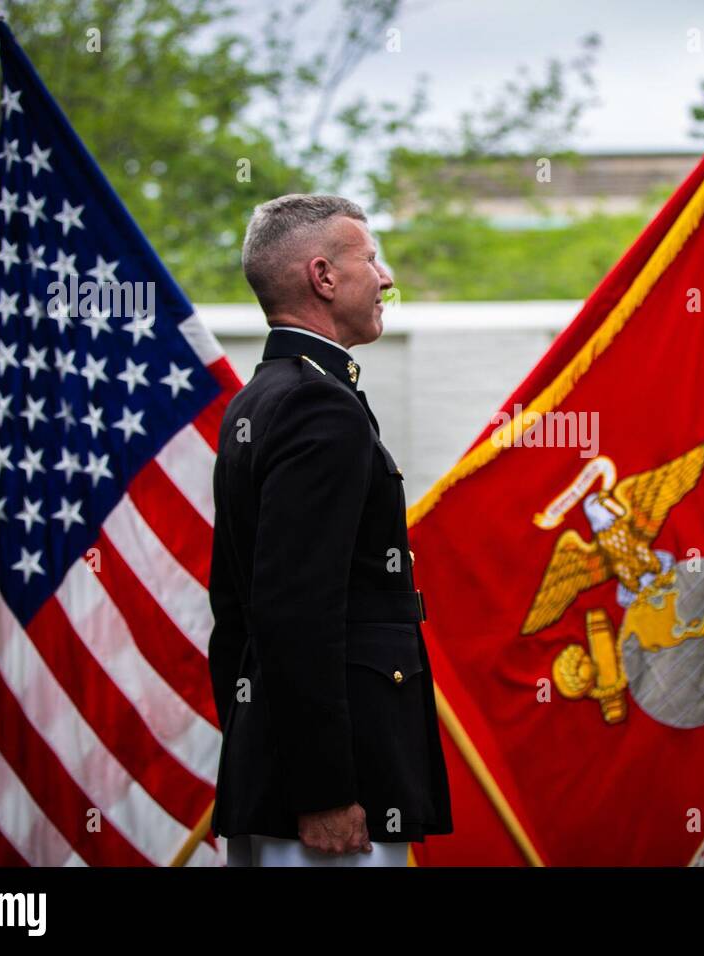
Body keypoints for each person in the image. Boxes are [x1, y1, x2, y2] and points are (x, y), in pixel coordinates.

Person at [208, 194, 452, 867]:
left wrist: (252, 759)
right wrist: (321, 790)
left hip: (283, 774)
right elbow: (293, 611)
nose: (386, 277)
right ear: (322, 276)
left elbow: (234, 612)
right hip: (335, 795)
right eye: (370, 259)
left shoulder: (261, 399)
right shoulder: (320, 403)